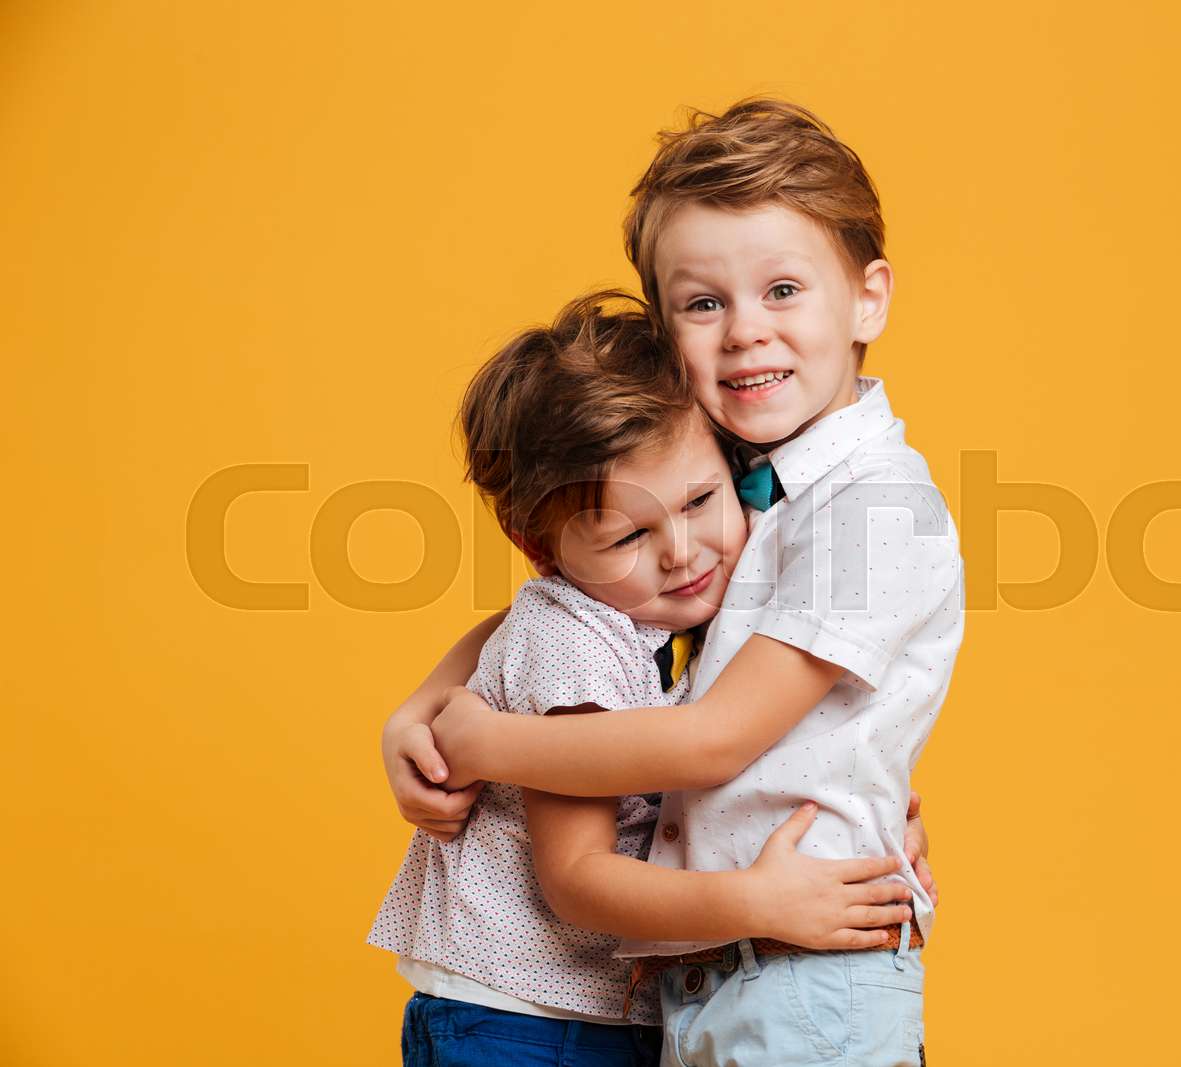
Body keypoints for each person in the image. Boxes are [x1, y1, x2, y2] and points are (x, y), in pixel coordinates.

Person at [419, 99, 964, 1067]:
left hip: (798, 968)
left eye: (784, 289)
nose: (746, 332)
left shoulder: (867, 505)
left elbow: (715, 738)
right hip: (711, 970)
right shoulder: (746, 488)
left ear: (867, 300)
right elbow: (570, 606)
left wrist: (491, 738)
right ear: (667, 339)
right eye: (704, 303)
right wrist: (425, 700)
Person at [368, 292, 919, 1067]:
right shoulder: (573, 639)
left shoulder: (683, 598)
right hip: (530, 1019)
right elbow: (578, 878)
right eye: (629, 534)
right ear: (540, 548)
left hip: (595, 1012)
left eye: (700, 500)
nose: (683, 552)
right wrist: (758, 905)